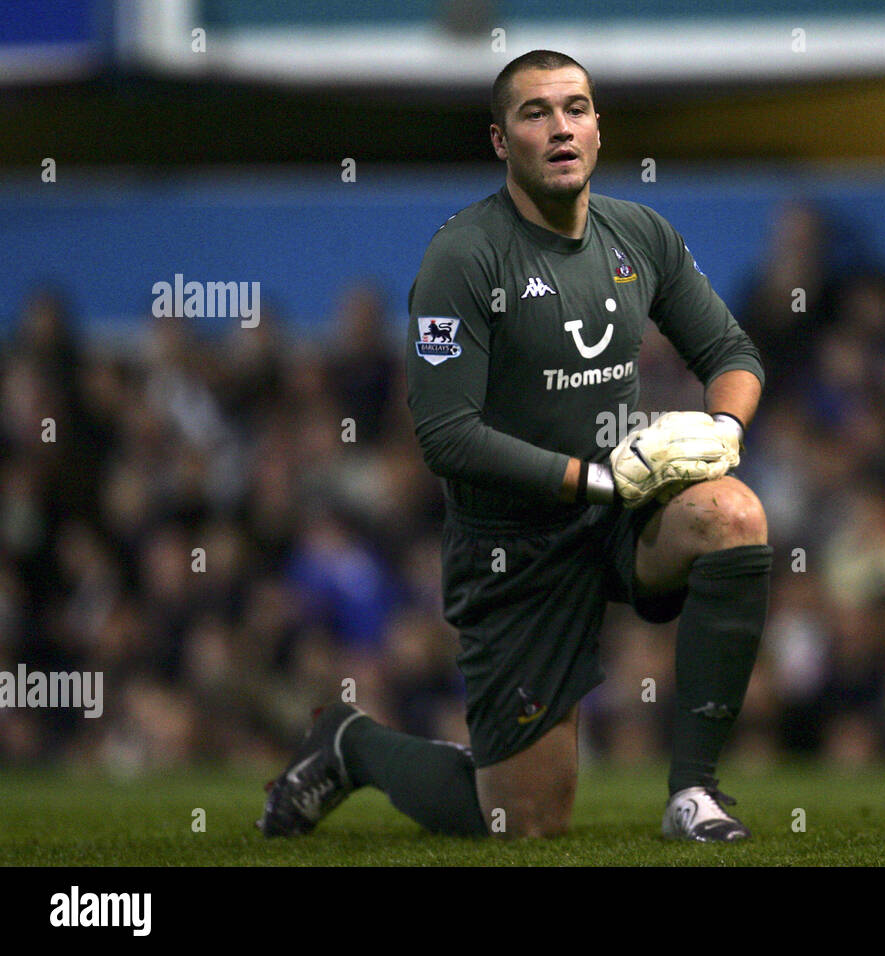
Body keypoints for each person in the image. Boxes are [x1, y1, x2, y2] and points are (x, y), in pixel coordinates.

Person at [258, 49, 772, 842]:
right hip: (514, 545)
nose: (561, 127)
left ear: (599, 128)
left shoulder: (640, 235)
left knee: (732, 515)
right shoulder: (463, 257)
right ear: (501, 141)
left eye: (576, 108)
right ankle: (350, 743)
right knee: (521, 819)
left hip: (618, 514)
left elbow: (732, 355)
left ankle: (694, 794)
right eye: (536, 113)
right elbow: (446, 435)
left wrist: (723, 431)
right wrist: (601, 481)